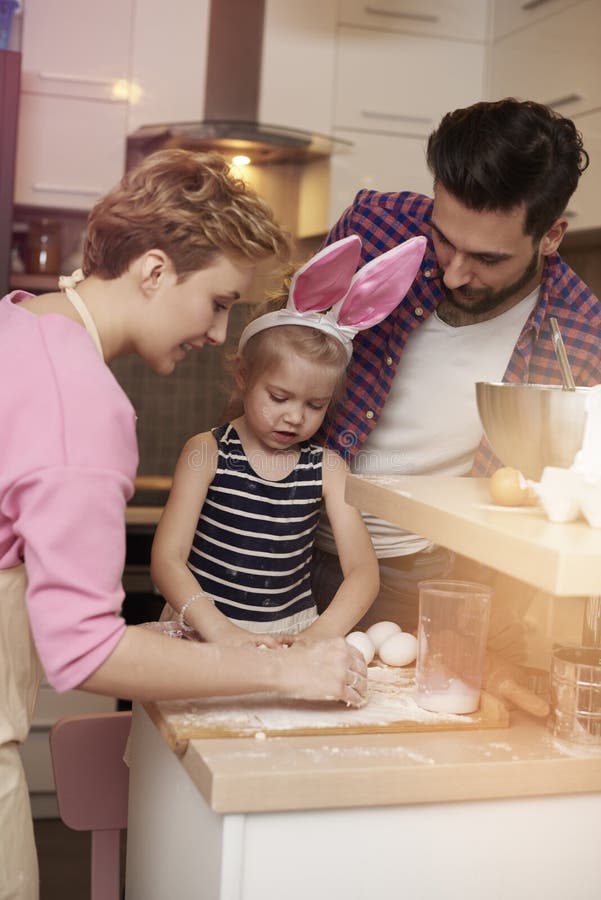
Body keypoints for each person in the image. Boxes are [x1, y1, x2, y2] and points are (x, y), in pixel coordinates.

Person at [0, 150, 369, 900]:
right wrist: (284, 667)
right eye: (219, 301)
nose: (219, 331)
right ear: (154, 270)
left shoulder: (19, 324)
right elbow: (85, 653)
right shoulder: (83, 405)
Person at [311, 97, 601, 652]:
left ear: (552, 236)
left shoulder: (579, 332)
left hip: (420, 578)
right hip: (287, 537)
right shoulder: (375, 229)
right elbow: (284, 356)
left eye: (488, 258)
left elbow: (548, 500)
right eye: (443, 238)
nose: (453, 272)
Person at [150, 233, 426, 645]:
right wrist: (219, 631)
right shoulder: (206, 452)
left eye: (315, 405)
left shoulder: (327, 469)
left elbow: (363, 572)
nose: (295, 417)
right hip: (202, 633)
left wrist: (320, 635)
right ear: (244, 377)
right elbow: (167, 561)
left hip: (287, 636)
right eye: (279, 397)